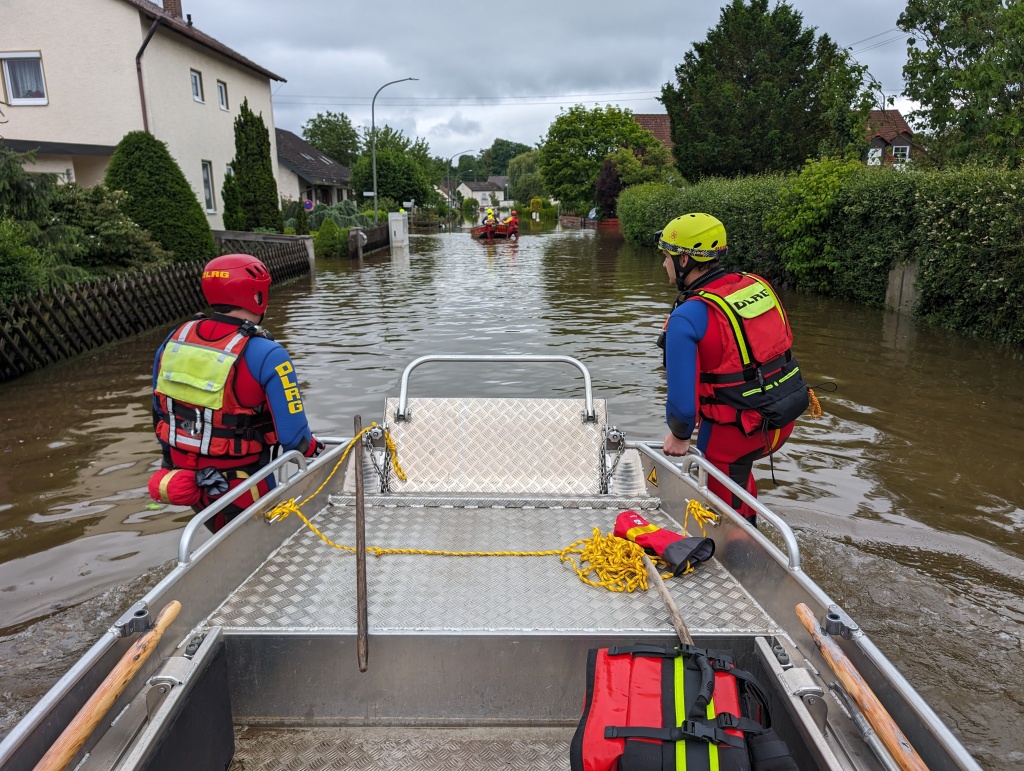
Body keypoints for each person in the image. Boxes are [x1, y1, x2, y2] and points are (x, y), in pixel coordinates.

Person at [149, 253, 324, 532]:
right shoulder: (267, 353)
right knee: (262, 547)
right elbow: (295, 440)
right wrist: (316, 448)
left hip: (187, 481)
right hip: (244, 485)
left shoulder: (176, 339)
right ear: (258, 297)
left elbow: (160, 412)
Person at [657, 213, 808, 525]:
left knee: (722, 513)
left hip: (736, 432)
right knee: (739, 480)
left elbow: (684, 410)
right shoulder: (755, 285)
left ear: (684, 259)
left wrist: (679, 435)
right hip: (782, 416)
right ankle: (750, 524)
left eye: (667, 256)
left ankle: (740, 555)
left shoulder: (686, 319)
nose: (664, 265)